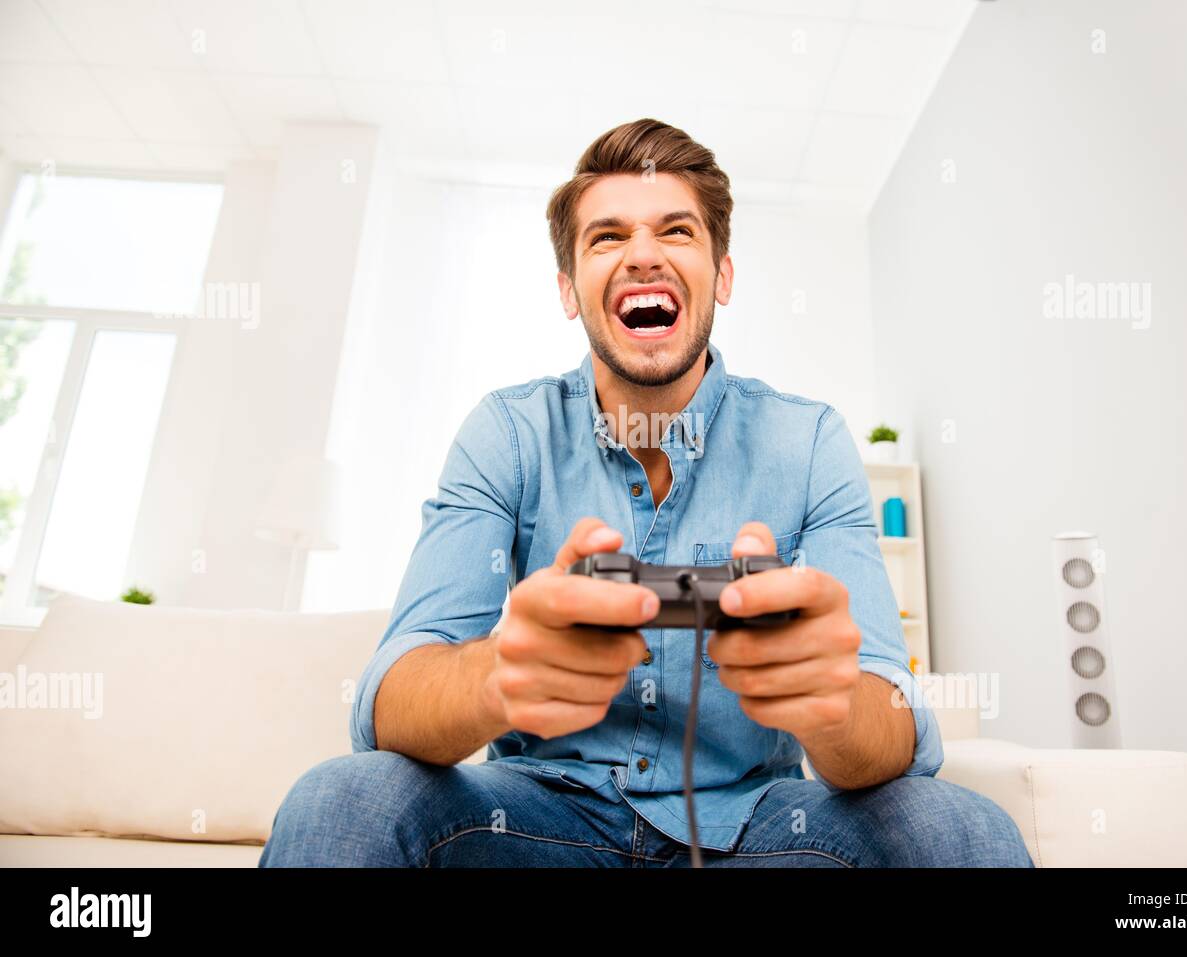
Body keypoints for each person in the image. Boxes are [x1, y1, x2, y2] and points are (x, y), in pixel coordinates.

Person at [260, 118, 1032, 868]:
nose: (642, 257)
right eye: (607, 236)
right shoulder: (508, 431)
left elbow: (890, 717)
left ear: (721, 275)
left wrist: (829, 705)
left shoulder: (809, 441)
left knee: (955, 827)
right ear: (570, 288)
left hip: (756, 824)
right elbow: (392, 694)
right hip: (535, 816)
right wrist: (497, 673)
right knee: (341, 798)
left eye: (676, 231)